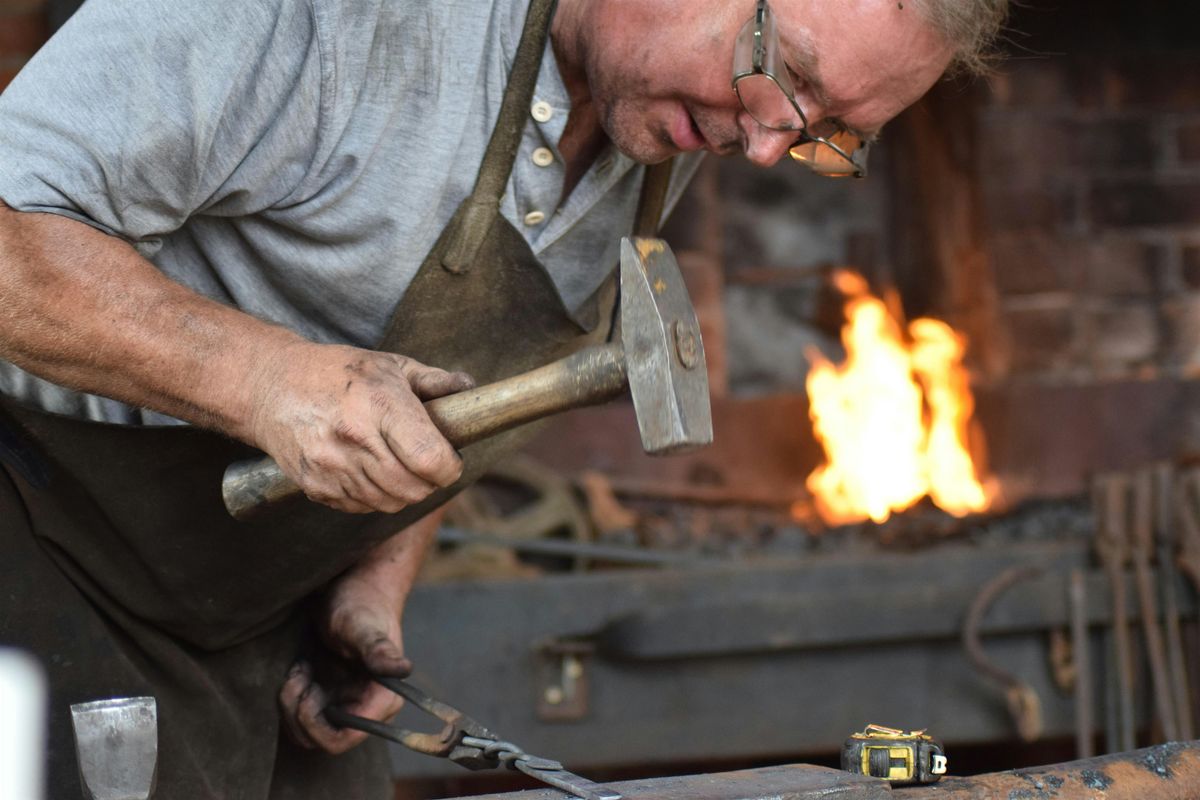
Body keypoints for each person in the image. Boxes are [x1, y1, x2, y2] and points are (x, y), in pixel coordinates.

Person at [0, 0, 1007, 797]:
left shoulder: (675, 115)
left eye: (826, 130)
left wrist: (374, 572)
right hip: (47, 560)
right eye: (787, 74)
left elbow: (457, 367)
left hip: (277, 633)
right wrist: (265, 378)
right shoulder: (338, 17)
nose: (766, 148)